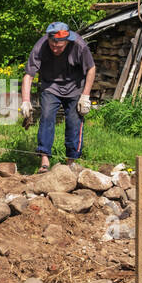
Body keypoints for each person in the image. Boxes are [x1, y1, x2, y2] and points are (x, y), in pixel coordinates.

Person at [20, 22, 96, 171]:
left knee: (74, 122)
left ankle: (71, 162)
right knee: (47, 116)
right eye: (52, 45)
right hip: (50, 86)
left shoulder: (79, 46)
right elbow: (29, 75)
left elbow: (91, 69)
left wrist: (85, 96)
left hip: (75, 88)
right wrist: (26, 101)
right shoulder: (40, 46)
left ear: (67, 41)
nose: (55, 48)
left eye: (59, 46)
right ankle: (44, 159)